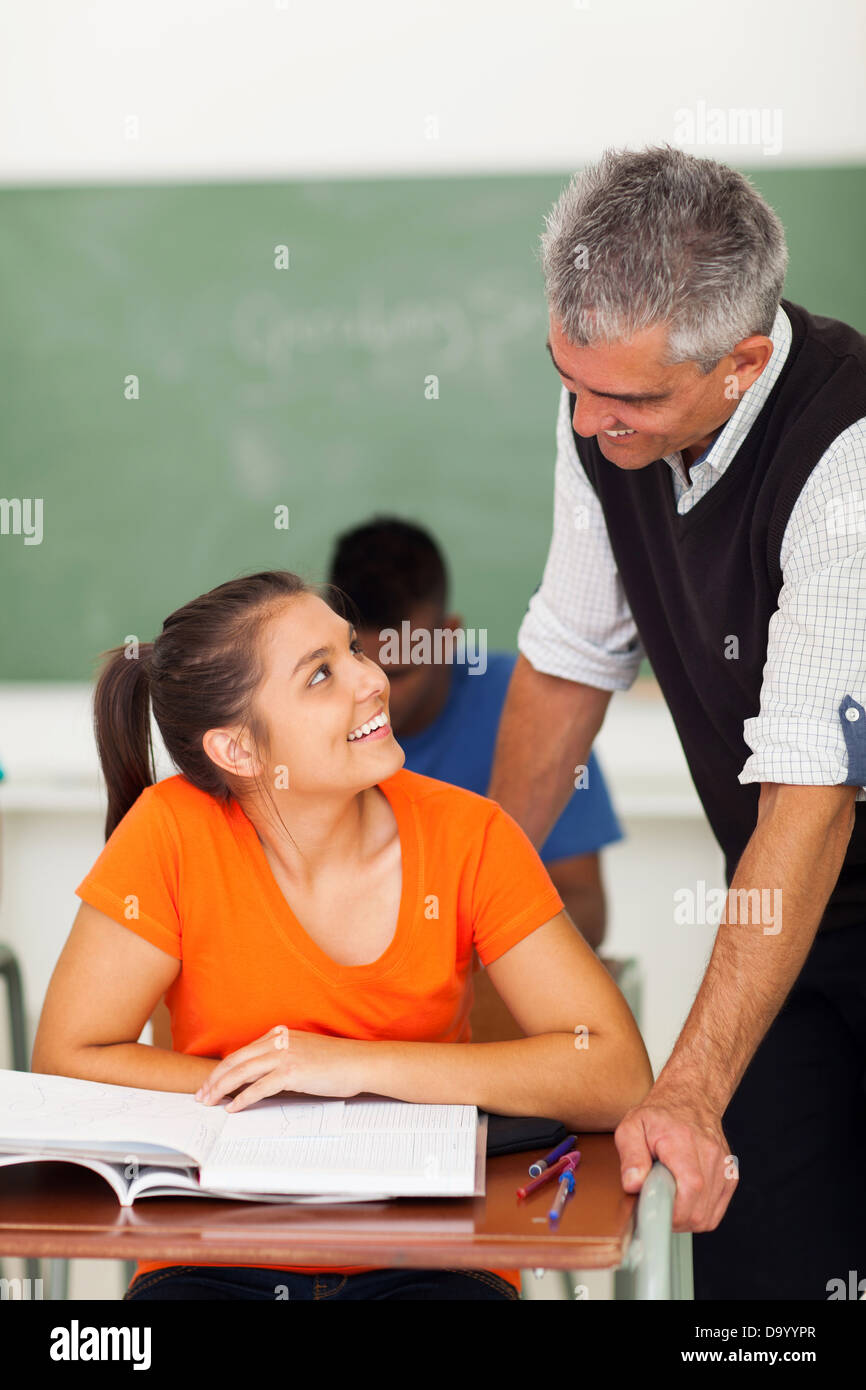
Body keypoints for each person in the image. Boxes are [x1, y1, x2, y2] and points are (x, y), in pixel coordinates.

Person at [31, 570, 652, 1301]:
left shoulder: (471, 835)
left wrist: (351, 1066)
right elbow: (66, 1061)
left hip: (432, 1256)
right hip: (211, 1252)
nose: (370, 679)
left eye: (352, 650)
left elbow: (614, 1075)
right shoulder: (170, 832)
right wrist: (279, 1086)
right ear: (238, 751)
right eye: (321, 674)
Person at [488, 143, 866, 1301]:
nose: (595, 423)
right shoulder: (605, 414)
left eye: (632, 399)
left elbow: (808, 792)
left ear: (741, 362)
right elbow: (566, 660)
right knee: (760, 1286)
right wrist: (449, 909)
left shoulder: (845, 461)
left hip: (805, 856)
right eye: (573, 382)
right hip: (785, 931)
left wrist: (689, 1086)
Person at [327, 514, 624, 953]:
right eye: (353, 665)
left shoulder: (532, 708)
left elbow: (584, 907)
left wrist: (447, 955)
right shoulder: (296, 718)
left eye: (399, 672)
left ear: (447, 639)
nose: (373, 692)